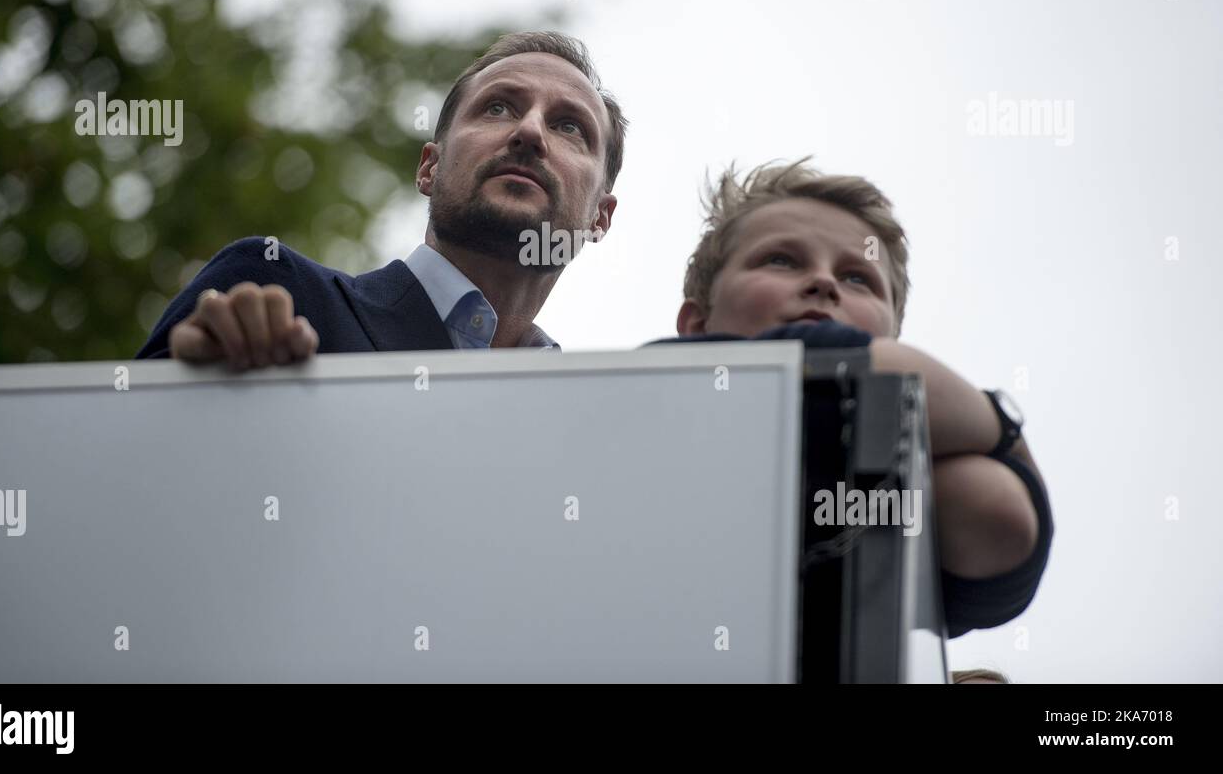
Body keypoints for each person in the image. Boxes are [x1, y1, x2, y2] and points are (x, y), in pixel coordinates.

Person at [662, 157, 1054, 637]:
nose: (824, 282)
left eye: (856, 279)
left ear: (892, 331)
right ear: (697, 323)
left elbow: (999, 514)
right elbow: (847, 369)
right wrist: (999, 424)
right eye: (780, 260)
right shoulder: (658, 384)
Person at [136, 32, 625, 363]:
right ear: (429, 167)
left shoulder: (594, 427)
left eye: (569, 126)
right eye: (497, 107)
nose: (529, 131)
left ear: (600, 217)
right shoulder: (277, 299)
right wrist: (186, 392)